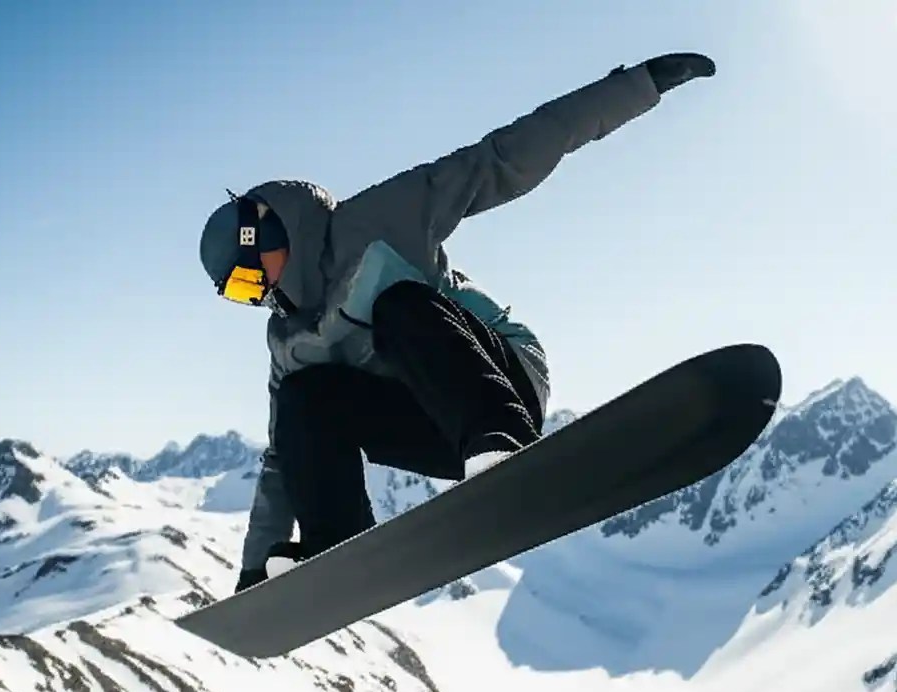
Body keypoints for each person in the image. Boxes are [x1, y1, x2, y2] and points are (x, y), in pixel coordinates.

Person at [199, 53, 717, 593]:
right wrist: (254, 575)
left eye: (248, 278)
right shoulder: (288, 339)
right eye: (240, 294)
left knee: (396, 304)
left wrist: (637, 87)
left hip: (499, 382)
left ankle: (503, 444)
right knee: (301, 399)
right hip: (433, 427)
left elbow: (500, 159)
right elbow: (283, 459)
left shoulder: (376, 221)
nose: (257, 296)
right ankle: (336, 540)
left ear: (268, 234)